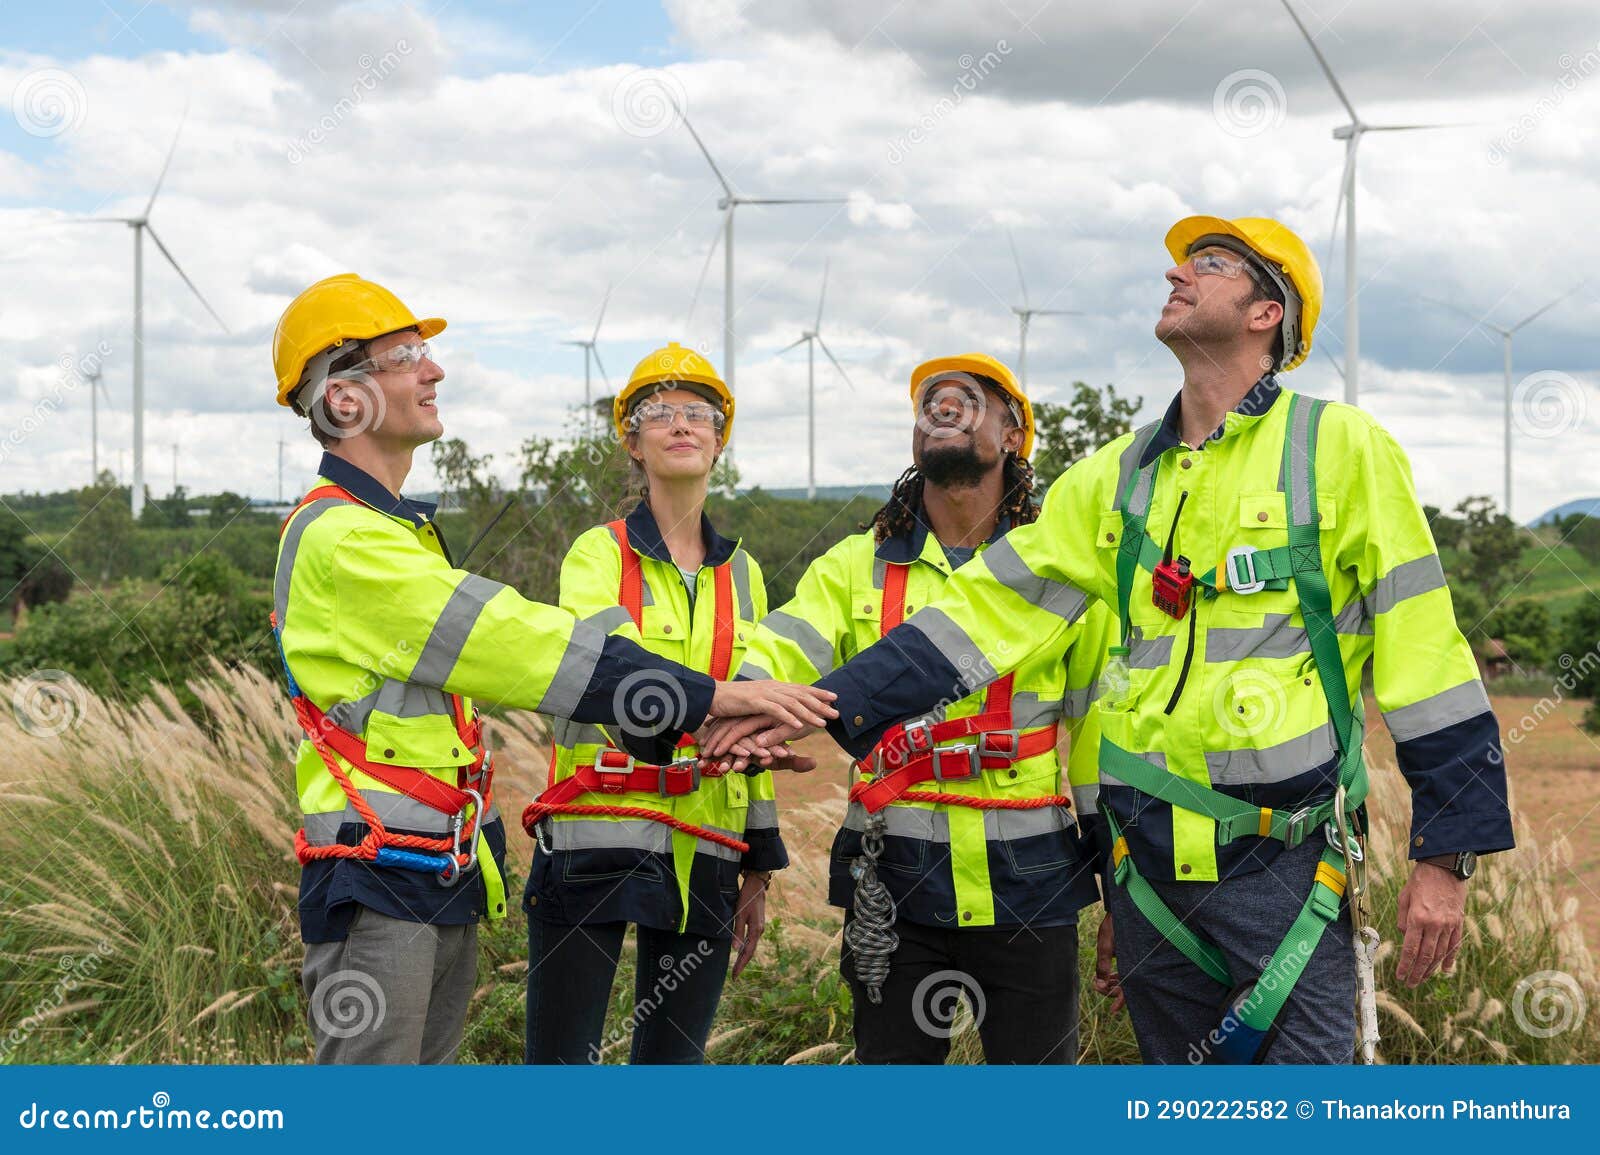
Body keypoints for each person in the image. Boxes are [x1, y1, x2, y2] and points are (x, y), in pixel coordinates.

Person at [706, 217, 1515, 1064]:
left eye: (1207, 263)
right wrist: (811, 706)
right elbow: (979, 612)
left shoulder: (1339, 449)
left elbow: (1428, 655)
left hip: (1288, 873)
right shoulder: (1115, 480)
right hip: (1150, 878)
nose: (1176, 273)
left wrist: (1447, 853)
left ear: (1265, 312)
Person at [271, 279, 833, 1064]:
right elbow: (518, 642)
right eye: (406, 357)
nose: (433, 372)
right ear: (344, 398)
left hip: (432, 869)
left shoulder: (393, 531)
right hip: (380, 875)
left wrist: (756, 833)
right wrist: (709, 699)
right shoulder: (345, 539)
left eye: (426, 354)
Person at [739, 354, 1112, 1064]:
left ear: (1012, 437)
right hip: (892, 884)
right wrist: (735, 703)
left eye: (966, 400)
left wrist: (1120, 892)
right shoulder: (853, 566)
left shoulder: (1062, 576)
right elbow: (779, 648)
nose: (941, 407)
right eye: (929, 405)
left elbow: (1102, 736)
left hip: (1031, 888)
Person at [522, 342, 791, 1064]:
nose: (681, 424)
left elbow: (757, 724)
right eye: (658, 413)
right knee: (560, 1071)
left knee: (671, 1072)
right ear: (632, 443)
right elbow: (611, 672)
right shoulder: (594, 555)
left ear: (719, 439)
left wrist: (757, 861)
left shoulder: (747, 575)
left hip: (705, 847)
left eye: (698, 413)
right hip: (592, 842)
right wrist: (714, 714)